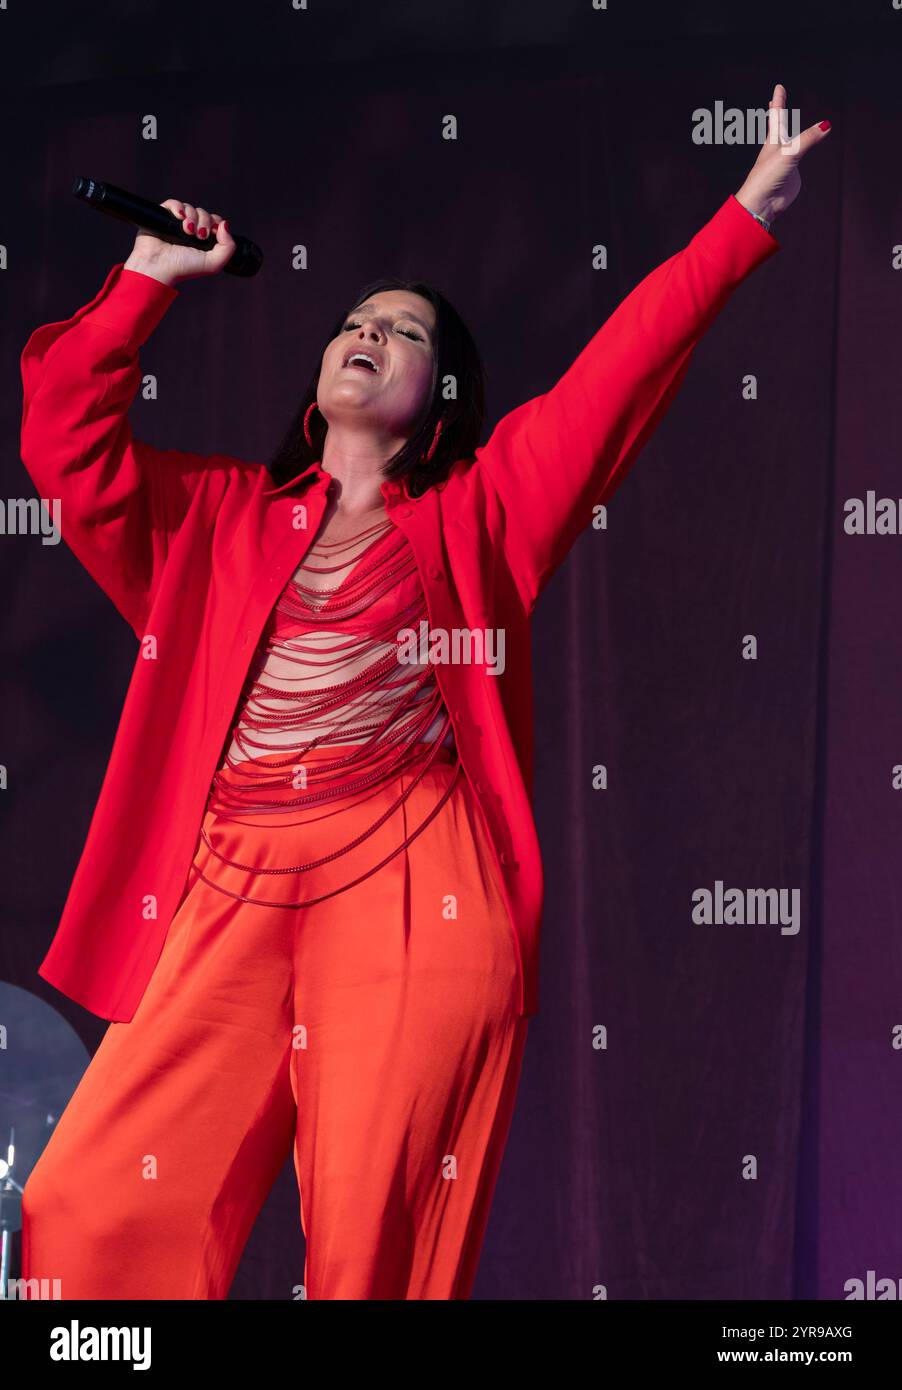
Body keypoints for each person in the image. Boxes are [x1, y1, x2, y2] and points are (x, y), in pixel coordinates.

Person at [19, 84, 829, 1300]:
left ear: (441, 395)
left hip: (410, 884)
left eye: (403, 332)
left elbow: (613, 380)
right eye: (356, 318)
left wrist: (742, 214)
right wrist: (147, 278)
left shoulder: (478, 515)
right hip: (225, 881)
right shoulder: (213, 516)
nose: (368, 332)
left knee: (371, 1248)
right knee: (82, 1211)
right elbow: (64, 445)